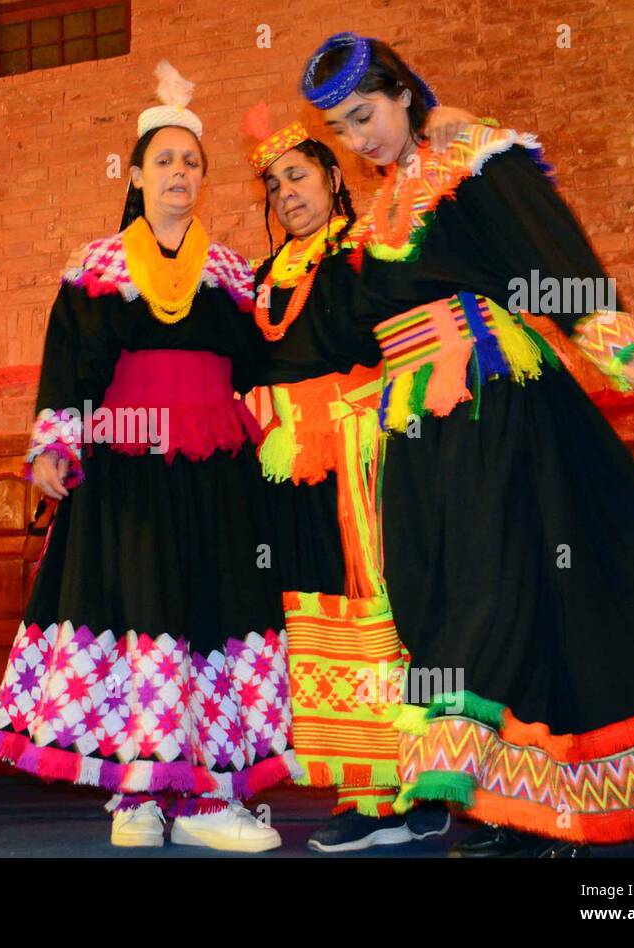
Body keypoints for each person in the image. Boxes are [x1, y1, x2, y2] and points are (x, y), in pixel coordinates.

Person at [300, 32, 634, 856]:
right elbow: (344, 331)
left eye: (365, 115)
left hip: (492, 404)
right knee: (434, 597)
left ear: (404, 93)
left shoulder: (472, 158)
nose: (359, 138)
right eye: (341, 128)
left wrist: (610, 334)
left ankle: (527, 803)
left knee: (496, 588)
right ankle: (489, 794)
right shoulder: (378, 215)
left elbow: (540, 244)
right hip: (416, 429)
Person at [0, 62, 294, 853]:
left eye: (192, 161)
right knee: (141, 608)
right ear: (136, 174)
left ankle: (209, 796)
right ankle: (138, 797)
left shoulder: (231, 272)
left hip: (218, 467)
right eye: (165, 160)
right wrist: (53, 446)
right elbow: (70, 367)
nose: (179, 171)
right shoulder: (97, 267)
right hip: (127, 462)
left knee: (212, 608)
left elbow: (261, 368)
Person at [242, 102, 476, 852]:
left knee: (395, 601)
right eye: (274, 185)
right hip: (291, 462)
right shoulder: (261, 276)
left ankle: (426, 782)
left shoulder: (365, 248)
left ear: (333, 177)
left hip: (371, 447)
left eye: (298, 175)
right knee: (322, 615)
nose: (287, 194)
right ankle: (364, 788)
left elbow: (412, 332)